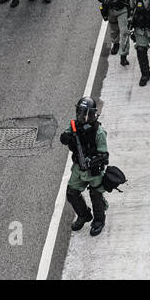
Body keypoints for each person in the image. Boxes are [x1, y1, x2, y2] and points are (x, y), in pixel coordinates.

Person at [60, 96, 109, 235]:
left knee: (96, 194)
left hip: (94, 171)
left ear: (92, 114)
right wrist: (66, 138)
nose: (83, 117)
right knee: (71, 193)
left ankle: (99, 220)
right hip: (78, 167)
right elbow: (64, 136)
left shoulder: (99, 132)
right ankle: (84, 215)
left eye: (86, 113)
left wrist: (91, 161)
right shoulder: (75, 126)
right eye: (81, 112)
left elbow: (104, 156)